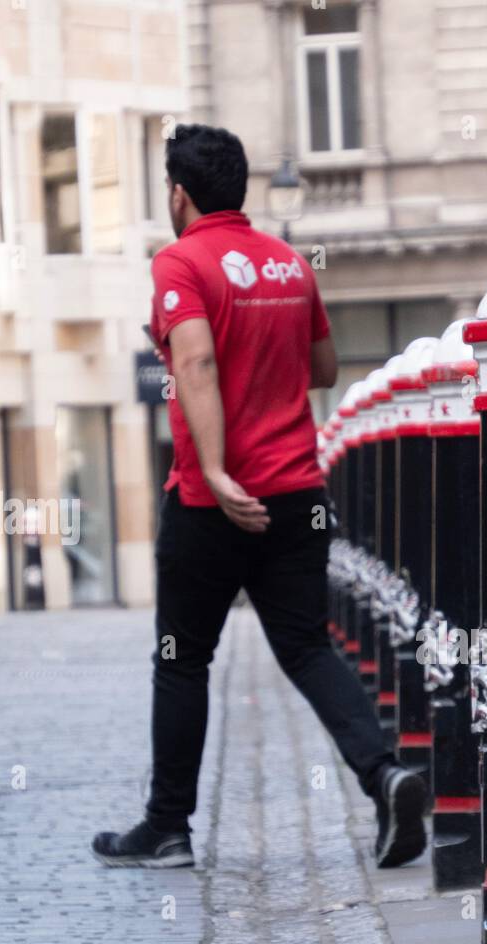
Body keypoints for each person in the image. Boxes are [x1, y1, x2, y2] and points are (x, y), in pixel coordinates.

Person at [93, 124, 426, 870]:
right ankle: (385, 775)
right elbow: (323, 366)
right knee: (306, 646)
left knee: (182, 658)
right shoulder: (287, 264)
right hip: (298, 494)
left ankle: (168, 826)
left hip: (216, 503)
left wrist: (213, 470)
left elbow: (200, 360)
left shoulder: (179, 263)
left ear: (178, 194)